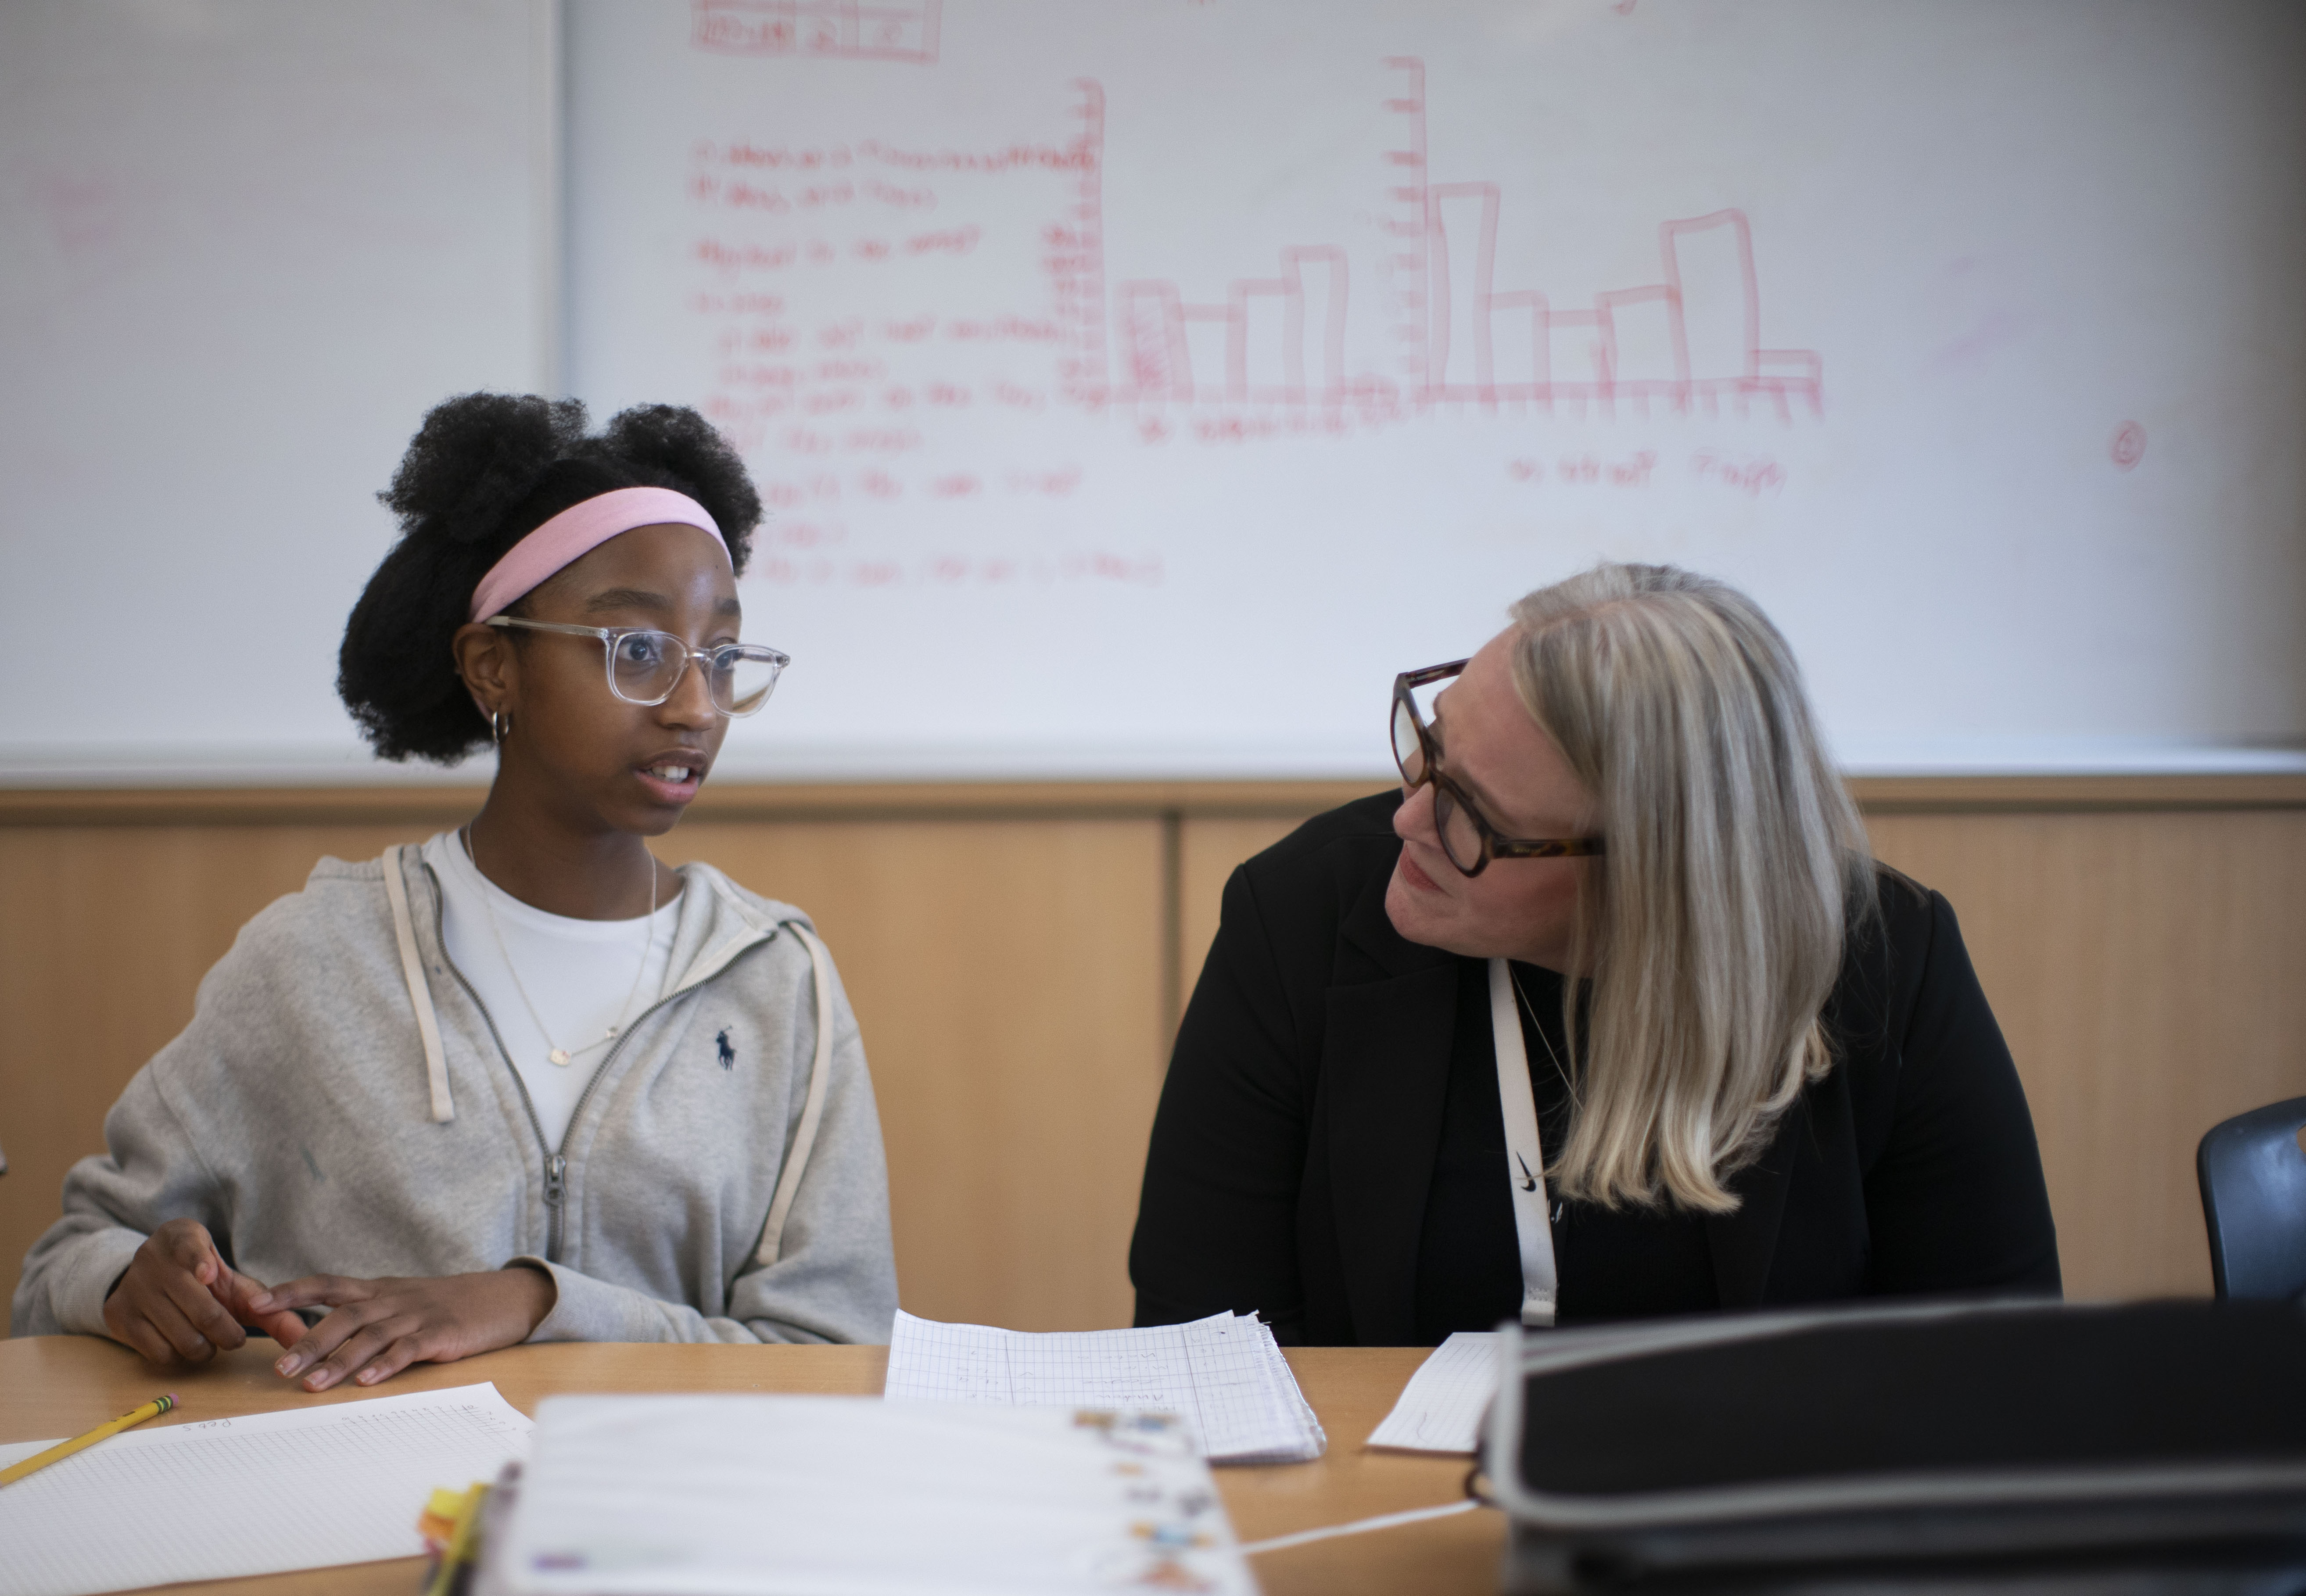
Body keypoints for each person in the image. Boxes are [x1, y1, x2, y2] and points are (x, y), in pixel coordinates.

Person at [13, 394, 898, 1388]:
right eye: (637, 649)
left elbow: (842, 1352)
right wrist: (131, 1278)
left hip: (665, 1521)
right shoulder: (310, 959)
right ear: (493, 670)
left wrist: (532, 1302)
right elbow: (64, 1260)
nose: (697, 705)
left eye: (723, 657)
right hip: (354, 1519)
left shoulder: (782, 987)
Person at [1130, 563, 2059, 1345]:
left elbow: (1998, 1363)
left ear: (1657, 878)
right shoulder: (1303, 918)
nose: (1409, 817)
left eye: (1477, 817)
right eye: (1432, 748)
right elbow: (1198, 1342)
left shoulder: (1886, 964)